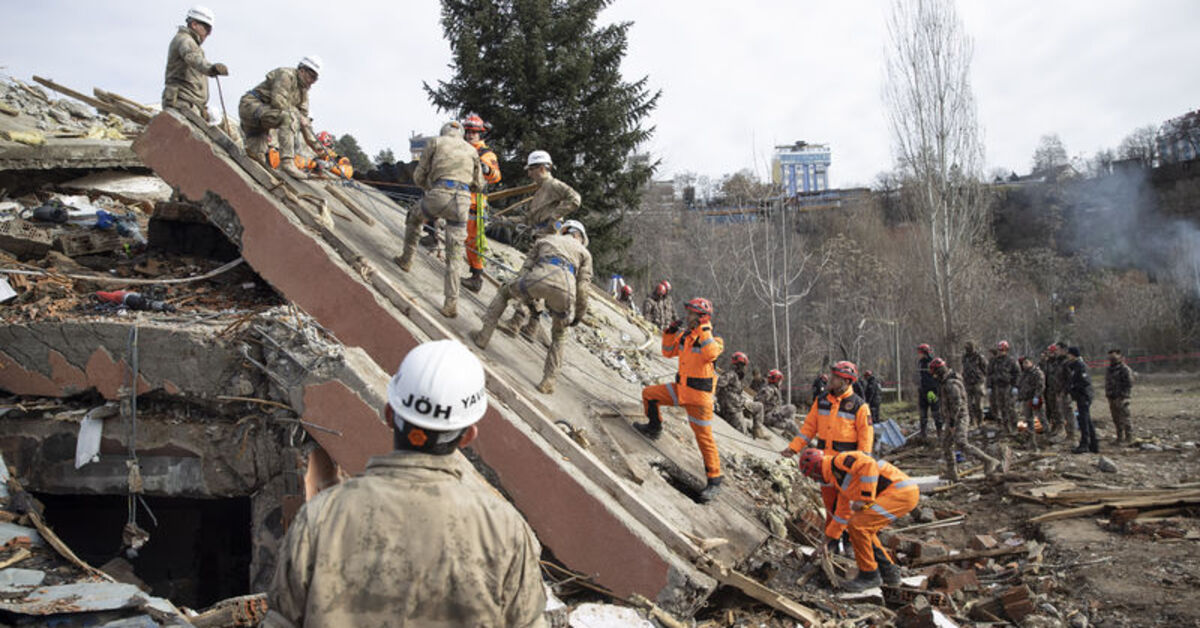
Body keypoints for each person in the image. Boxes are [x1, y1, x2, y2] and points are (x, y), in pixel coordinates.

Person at [265, 340, 546, 627]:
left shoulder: (321, 516)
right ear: (467, 436)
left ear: (389, 415)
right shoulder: (502, 530)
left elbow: (280, 621)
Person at [471, 220, 592, 394]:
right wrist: (578, 315)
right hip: (566, 291)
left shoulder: (546, 240)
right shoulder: (585, 254)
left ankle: (483, 337)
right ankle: (548, 381)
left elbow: (525, 270)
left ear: (565, 230)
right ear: (579, 236)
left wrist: (526, 295)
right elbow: (583, 288)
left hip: (538, 278)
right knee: (559, 335)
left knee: (504, 293)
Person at [634, 298, 725, 503]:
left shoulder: (712, 339)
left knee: (704, 438)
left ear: (701, 317)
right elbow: (667, 352)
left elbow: (711, 354)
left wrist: (704, 327)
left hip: (699, 399)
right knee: (649, 394)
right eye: (689, 313)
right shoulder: (686, 336)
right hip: (680, 390)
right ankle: (654, 428)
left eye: (692, 314)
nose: (687, 316)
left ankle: (715, 480)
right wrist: (669, 332)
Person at [395, 121, 484, 318]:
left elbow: (419, 174)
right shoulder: (472, 151)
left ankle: (406, 259)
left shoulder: (435, 142)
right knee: (454, 254)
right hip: (462, 202)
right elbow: (479, 184)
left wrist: (429, 187)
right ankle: (450, 303)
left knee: (414, 217)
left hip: (439, 194)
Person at [798, 448, 919, 592]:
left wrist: (865, 498)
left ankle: (869, 575)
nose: (814, 480)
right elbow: (842, 514)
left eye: (812, 476)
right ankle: (890, 572)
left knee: (858, 525)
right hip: (901, 493)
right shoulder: (839, 482)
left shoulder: (840, 461)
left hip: (901, 492)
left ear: (817, 468)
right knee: (865, 530)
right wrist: (826, 542)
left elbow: (868, 463)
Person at [784, 361, 874, 543]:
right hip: (824, 467)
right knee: (830, 508)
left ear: (847, 381)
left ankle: (849, 544)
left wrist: (861, 468)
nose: (831, 379)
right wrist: (794, 447)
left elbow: (866, 441)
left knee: (847, 509)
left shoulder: (859, 406)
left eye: (836, 377)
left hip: (847, 470)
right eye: (832, 376)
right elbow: (809, 427)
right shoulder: (822, 400)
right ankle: (831, 544)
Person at [239, 56, 324, 179]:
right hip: (252, 107)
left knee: (257, 161)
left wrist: (318, 148)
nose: (312, 81)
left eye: (315, 79)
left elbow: (305, 122)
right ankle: (287, 162)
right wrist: (299, 116)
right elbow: (278, 103)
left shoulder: (303, 92)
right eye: (311, 76)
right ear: (302, 70)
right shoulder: (286, 75)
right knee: (289, 117)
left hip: (263, 122)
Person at [930, 358, 999, 480]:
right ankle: (952, 472)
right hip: (951, 417)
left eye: (934, 373)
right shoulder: (946, 381)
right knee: (946, 444)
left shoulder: (951, 384)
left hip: (959, 417)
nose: (934, 376)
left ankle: (989, 460)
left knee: (961, 442)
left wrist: (952, 423)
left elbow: (956, 404)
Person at [162, 6, 227, 121]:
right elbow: (192, 57)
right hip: (182, 103)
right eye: (207, 28)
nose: (208, 34)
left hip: (188, 103)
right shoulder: (185, 40)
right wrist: (210, 69)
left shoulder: (190, 43)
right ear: (194, 25)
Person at [460, 113, 502, 294]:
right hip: (455, 193)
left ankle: (476, 277)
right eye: (467, 131)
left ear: (480, 134)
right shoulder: (460, 148)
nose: (470, 135)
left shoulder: (485, 153)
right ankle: (429, 235)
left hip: (474, 202)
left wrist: (484, 168)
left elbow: (495, 175)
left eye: (474, 132)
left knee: (472, 241)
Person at [522, 150, 581, 235]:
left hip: (549, 233)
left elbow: (575, 199)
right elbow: (529, 218)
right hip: (537, 231)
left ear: (541, 169)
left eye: (531, 169)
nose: (529, 174)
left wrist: (554, 218)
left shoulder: (553, 184)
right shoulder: (539, 188)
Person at [1065, 347, 1098, 454]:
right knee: (1086, 419)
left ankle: (1085, 444)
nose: (1067, 356)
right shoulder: (1074, 366)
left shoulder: (1081, 366)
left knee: (1084, 420)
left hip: (1083, 396)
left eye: (1069, 354)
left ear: (1073, 355)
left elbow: (1084, 382)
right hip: (1080, 396)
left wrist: (1073, 388)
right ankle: (1093, 444)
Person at [986, 340, 1020, 435]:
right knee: (1001, 408)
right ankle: (1005, 428)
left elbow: (1017, 374)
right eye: (1000, 350)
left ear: (1006, 350)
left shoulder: (1011, 361)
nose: (1001, 352)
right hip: (997, 387)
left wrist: (1015, 386)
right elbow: (989, 374)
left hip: (1008, 386)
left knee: (1010, 408)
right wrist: (989, 386)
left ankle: (1014, 427)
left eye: (1003, 350)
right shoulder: (993, 361)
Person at [716, 352, 754, 435]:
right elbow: (719, 385)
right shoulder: (731, 374)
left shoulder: (736, 377)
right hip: (731, 408)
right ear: (740, 365)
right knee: (743, 432)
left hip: (734, 406)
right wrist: (717, 402)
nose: (745, 369)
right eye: (744, 366)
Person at [1105, 348, 1135, 444]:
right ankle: (1119, 437)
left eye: (1114, 356)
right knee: (1116, 419)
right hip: (1112, 397)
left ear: (1120, 357)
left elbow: (1129, 384)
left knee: (1125, 417)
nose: (1111, 358)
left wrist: (1123, 396)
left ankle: (1129, 438)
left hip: (1121, 397)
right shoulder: (1110, 369)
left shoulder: (1125, 369)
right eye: (1110, 356)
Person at [1016, 356, 1046, 450]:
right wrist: (1019, 397)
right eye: (1024, 363)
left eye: (1027, 363)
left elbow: (1040, 386)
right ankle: (1031, 442)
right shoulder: (1024, 374)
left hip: (1035, 399)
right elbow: (1021, 385)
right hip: (1026, 399)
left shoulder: (1037, 373)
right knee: (1028, 420)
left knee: (1041, 419)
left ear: (1031, 362)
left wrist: (1037, 396)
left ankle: (1046, 438)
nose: (1025, 365)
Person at [758, 369, 796, 435]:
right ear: (777, 380)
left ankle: (789, 433)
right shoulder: (769, 390)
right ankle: (802, 440)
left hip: (770, 415)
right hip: (768, 418)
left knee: (791, 408)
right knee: (790, 423)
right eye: (780, 381)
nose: (780, 382)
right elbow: (759, 403)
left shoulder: (771, 388)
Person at [961, 341, 988, 428]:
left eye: (968, 346)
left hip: (978, 382)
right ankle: (972, 421)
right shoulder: (964, 357)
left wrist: (982, 378)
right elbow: (964, 368)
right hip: (967, 382)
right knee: (968, 404)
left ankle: (980, 421)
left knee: (978, 405)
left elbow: (985, 369)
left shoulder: (979, 357)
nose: (967, 348)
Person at [916, 344, 941, 440]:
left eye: (920, 352)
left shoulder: (932, 362)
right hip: (923, 391)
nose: (918, 354)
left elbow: (936, 378)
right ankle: (923, 433)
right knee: (923, 414)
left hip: (931, 392)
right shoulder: (920, 363)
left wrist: (934, 389)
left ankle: (939, 432)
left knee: (935, 412)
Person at [1040, 344, 1065, 437]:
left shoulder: (1060, 362)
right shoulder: (1047, 363)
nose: (1050, 354)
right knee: (1050, 409)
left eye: (1052, 352)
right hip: (1048, 389)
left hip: (1058, 389)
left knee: (1058, 409)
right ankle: (1054, 427)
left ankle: (1060, 427)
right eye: (1049, 352)